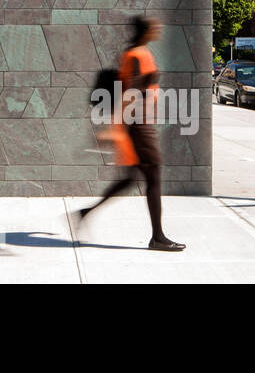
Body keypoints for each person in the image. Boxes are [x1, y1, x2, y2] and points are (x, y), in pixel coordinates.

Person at [74, 16, 186, 252]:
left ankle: (86, 212)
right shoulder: (135, 55)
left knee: (129, 179)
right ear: (145, 31)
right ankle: (157, 237)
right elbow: (132, 91)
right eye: (154, 27)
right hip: (137, 124)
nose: (158, 29)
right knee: (153, 176)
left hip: (137, 123)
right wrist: (121, 126)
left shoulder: (138, 52)